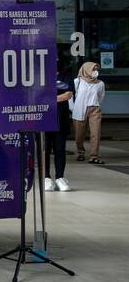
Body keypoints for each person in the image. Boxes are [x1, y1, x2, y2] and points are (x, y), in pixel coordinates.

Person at [44, 61, 73, 191]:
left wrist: (48, 98)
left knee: (60, 149)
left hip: (60, 117)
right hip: (43, 117)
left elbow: (68, 94)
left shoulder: (65, 75)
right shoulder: (39, 75)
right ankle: (46, 178)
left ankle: (60, 178)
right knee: (44, 149)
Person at [70, 60, 106, 165]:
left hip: (95, 109)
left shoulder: (100, 83)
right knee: (79, 134)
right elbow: (71, 95)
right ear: (86, 70)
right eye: (93, 69)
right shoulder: (77, 81)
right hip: (80, 109)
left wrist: (95, 104)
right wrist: (73, 108)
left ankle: (94, 156)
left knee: (96, 133)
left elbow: (101, 97)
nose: (95, 71)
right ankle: (80, 152)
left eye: (96, 69)